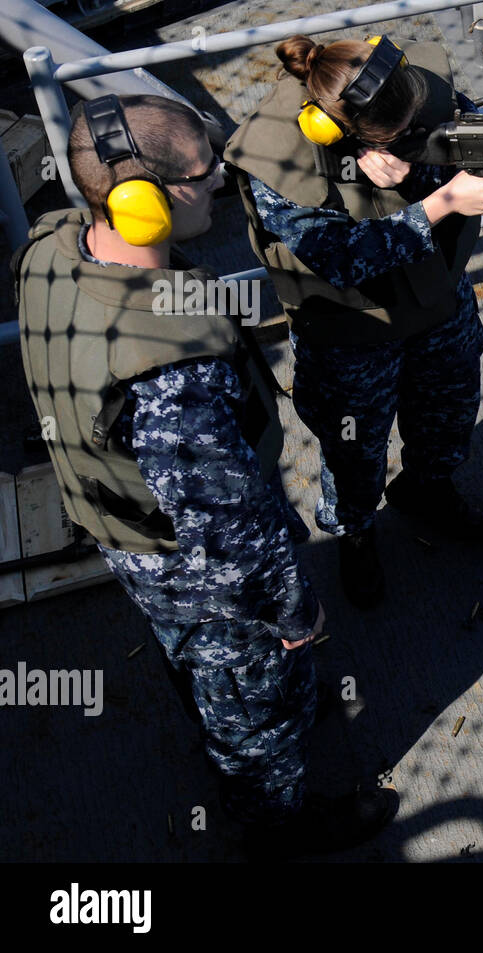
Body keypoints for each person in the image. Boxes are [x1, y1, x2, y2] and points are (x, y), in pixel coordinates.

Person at [12, 93, 395, 858]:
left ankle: (228, 710)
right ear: (143, 202)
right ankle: (277, 823)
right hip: (207, 579)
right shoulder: (170, 374)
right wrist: (293, 612)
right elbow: (224, 536)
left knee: (189, 660)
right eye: (199, 172)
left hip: (126, 536)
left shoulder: (52, 247)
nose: (219, 179)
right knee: (256, 716)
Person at [224, 33, 483, 608]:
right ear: (339, 128)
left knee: (447, 413)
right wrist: (442, 203)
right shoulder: (272, 150)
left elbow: (476, 148)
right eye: (392, 130)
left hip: (436, 301)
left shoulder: (416, 89)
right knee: (353, 449)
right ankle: (355, 533)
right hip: (349, 332)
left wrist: (418, 179)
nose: (410, 130)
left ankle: (428, 490)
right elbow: (341, 259)